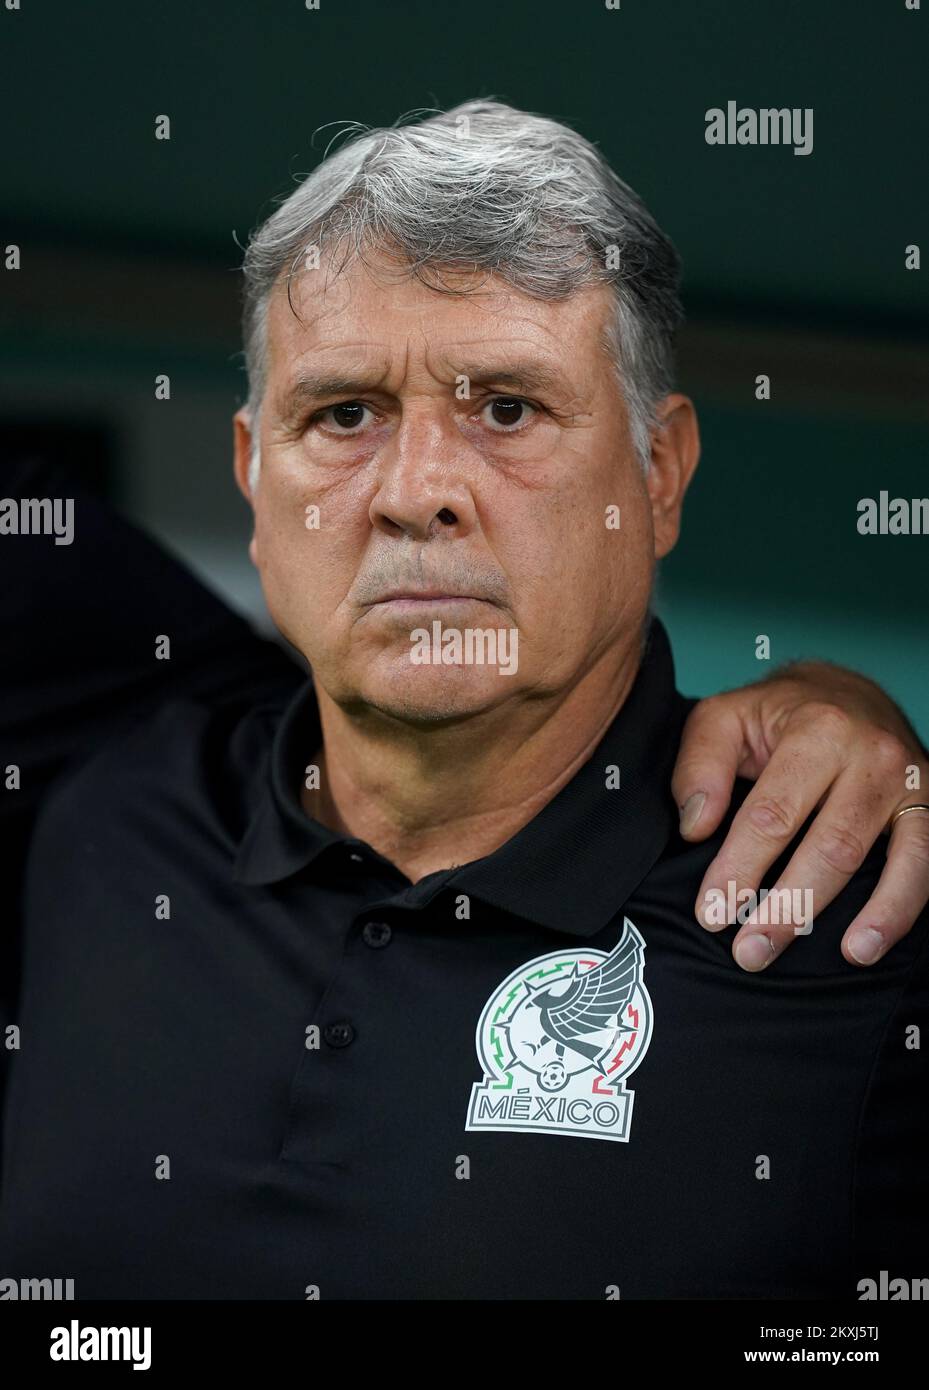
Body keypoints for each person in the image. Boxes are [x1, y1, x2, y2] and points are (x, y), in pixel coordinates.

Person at [1, 99, 926, 1299]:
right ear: (250, 478)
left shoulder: (852, 938)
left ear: (656, 474)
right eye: (343, 415)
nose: (414, 492)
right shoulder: (99, 795)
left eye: (505, 408)